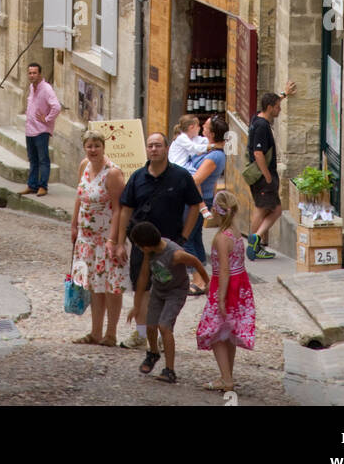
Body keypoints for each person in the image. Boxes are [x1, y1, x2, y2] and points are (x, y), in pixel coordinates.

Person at [108, 131, 202, 348]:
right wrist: (121, 242)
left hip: (168, 246)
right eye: (150, 146)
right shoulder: (137, 177)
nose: (154, 149)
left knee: (167, 291)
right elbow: (126, 210)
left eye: (158, 145)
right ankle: (141, 334)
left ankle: (163, 333)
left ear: (166, 148)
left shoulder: (180, 176)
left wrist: (185, 236)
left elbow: (195, 206)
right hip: (141, 245)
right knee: (142, 290)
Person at [127, 221, 207, 384]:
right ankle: (153, 353)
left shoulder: (175, 254)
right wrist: (136, 306)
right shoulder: (149, 253)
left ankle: (170, 370)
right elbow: (143, 277)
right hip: (158, 290)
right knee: (150, 326)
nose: (139, 249)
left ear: (146, 246)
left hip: (176, 292)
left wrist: (208, 282)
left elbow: (196, 262)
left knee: (164, 327)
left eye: (139, 246)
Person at [69, 130, 128, 346]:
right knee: (93, 284)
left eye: (97, 146)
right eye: (89, 146)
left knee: (111, 285)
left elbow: (118, 209)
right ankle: (95, 331)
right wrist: (74, 224)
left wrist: (114, 240)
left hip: (105, 237)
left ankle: (110, 333)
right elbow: (79, 196)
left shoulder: (112, 173)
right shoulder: (84, 166)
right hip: (87, 238)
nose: (93, 150)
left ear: (103, 147)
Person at [196, 188, 255, 393]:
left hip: (227, 286)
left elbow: (223, 270)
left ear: (217, 210)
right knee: (227, 331)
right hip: (240, 284)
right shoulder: (236, 234)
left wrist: (220, 297)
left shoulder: (222, 238)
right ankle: (227, 375)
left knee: (215, 333)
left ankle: (226, 379)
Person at [246, 82, 296, 258]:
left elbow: (272, 101)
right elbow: (258, 152)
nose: (279, 110)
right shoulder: (261, 126)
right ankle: (254, 245)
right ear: (269, 108)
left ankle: (256, 241)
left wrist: (284, 94)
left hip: (263, 176)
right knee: (265, 210)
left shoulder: (257, 118)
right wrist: (267, 176)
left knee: (272, 209)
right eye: (277, 107)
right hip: (262, 176)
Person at [184, 114, 228, 293]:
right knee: (194, 238)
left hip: (197, 200)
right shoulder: (209, 149)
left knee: (186, 238)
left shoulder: (215, 156)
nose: (202, 127)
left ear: (211, 133)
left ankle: (198, 281)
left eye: (206, 126)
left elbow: (196, 180)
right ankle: (204, 279)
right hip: (197, 199)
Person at [21, 62, 61, 197]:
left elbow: (56, 106)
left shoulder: (47, 88)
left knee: (43, 159)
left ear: (40, 74)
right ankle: (32, 185)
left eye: (34, 73)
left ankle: (43, 186)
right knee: (33, 159)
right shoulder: (32, 87)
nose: (32, 75)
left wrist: (48, 119)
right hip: (30, 129)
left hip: (41, 130)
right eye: (30, 73)